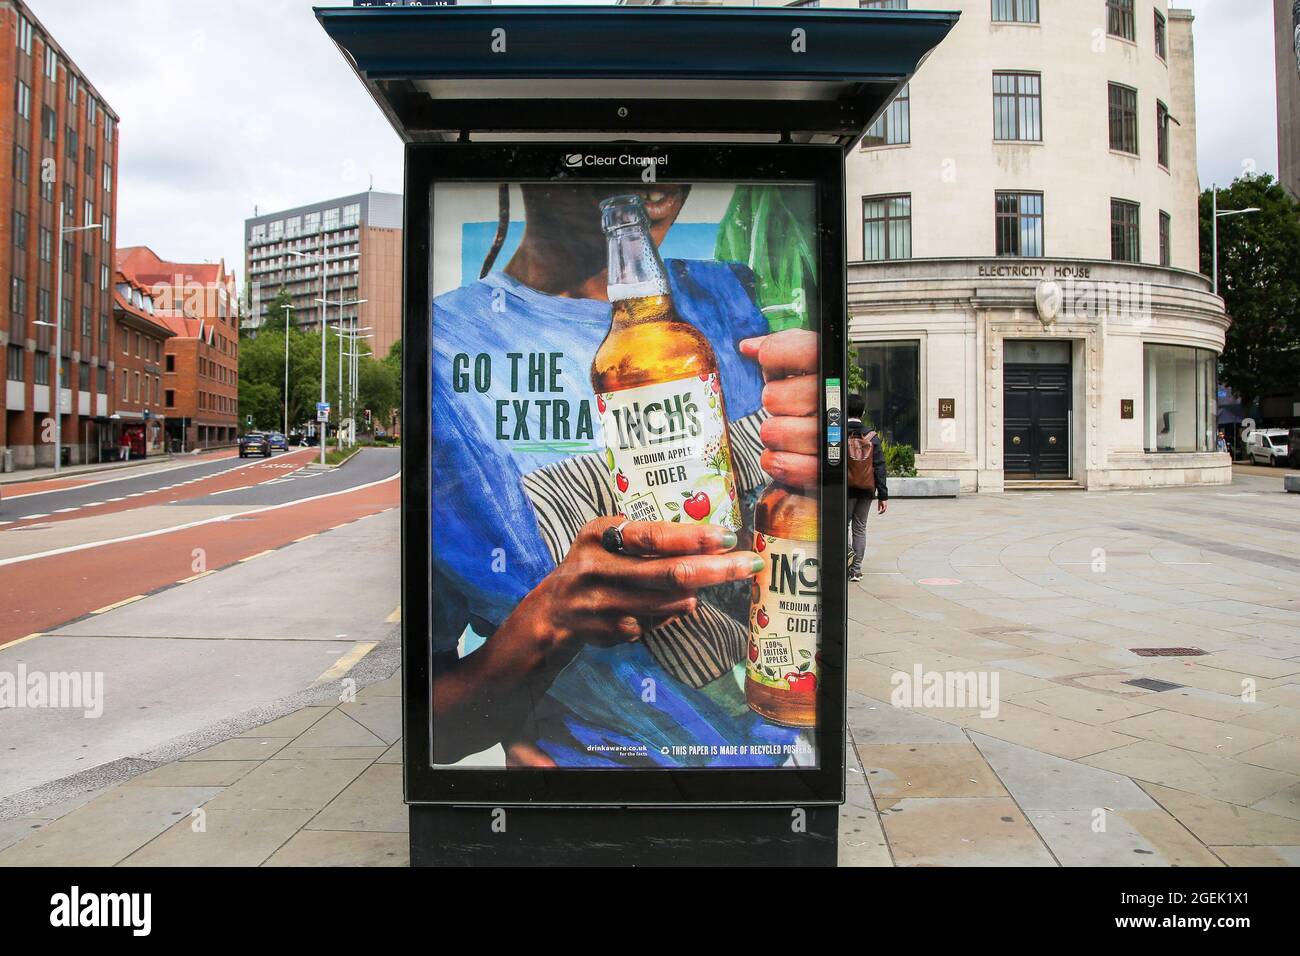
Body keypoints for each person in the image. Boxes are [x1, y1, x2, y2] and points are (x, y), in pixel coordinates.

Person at [429, 183, 821, 768]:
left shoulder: (742, 293)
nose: (645, 162)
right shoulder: (443, 351)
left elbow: (821, 547)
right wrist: (550, 622)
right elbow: (435, 730)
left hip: (778, 768)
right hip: (583, 784)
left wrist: (840, 446)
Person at [846, 395, 887, 583]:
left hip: (844, 489)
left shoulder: (838, 433)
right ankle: (856, 570)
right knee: (860, 528)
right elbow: (879, 466)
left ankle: (845, 564)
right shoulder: (872, 436)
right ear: (862, 412)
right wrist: (883, 495)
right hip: (866, 489)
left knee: (842, 527)